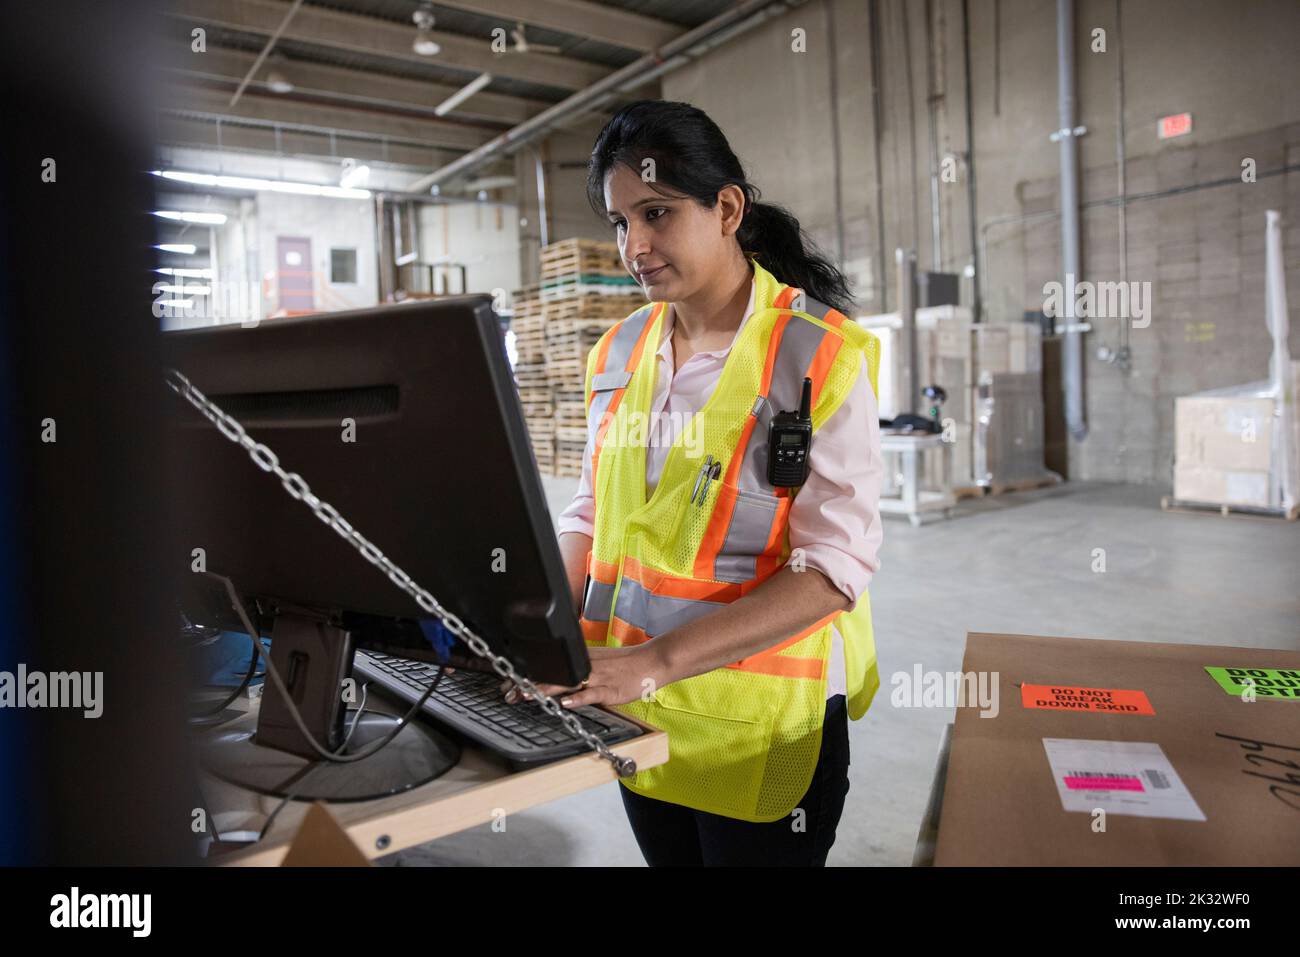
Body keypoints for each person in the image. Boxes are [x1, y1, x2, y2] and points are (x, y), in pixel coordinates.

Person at [513, 100, 884, 866]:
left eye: (656, 213)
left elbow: (834, 569)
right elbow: (591, 510)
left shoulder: (816, 356)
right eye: (619, 223)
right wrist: (534, 620)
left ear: (727, 208)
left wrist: (653, 661)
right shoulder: (617, 354)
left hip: (760, 729)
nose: (634, 246)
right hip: (639, 721)